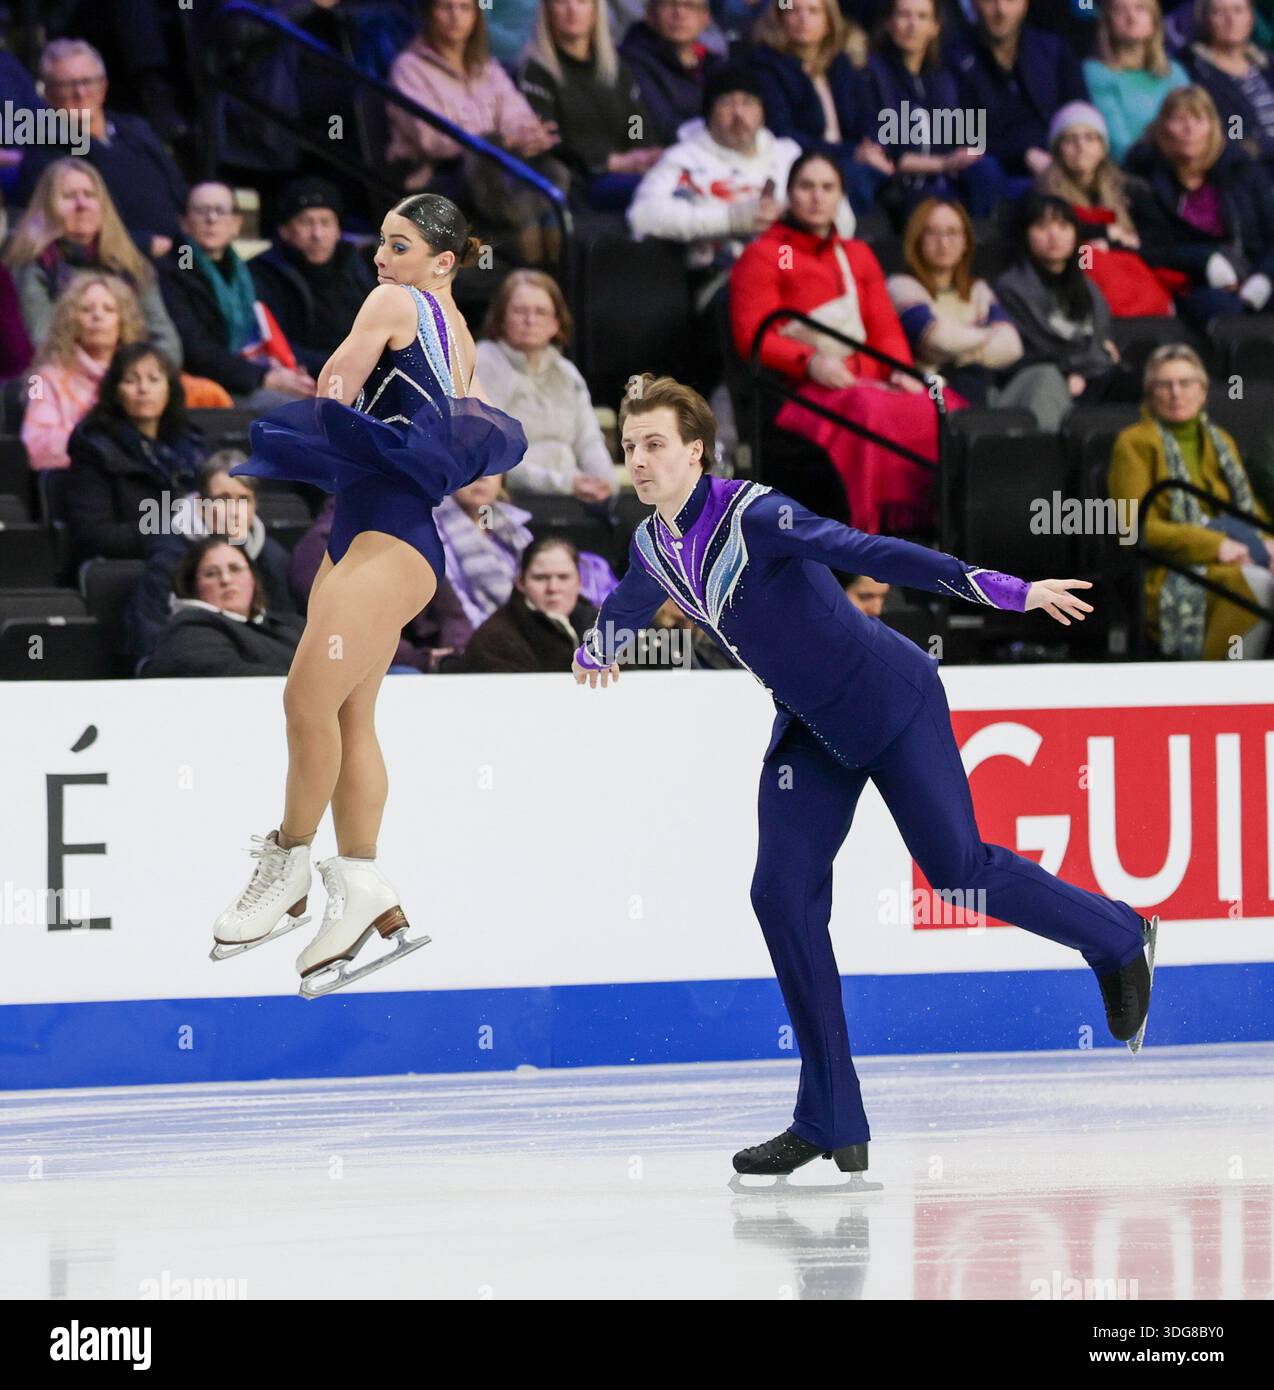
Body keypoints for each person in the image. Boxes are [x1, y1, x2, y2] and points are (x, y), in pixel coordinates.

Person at [572, 373, 1158, 1179]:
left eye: (655, 445)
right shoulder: (651, 545)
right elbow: (634, 600)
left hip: (893, 701)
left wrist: (1007, 589)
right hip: (811, 727)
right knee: (779, 895)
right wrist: (597, 645)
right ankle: (829, 1117)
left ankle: (1119, 935)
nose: (638, 460)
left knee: (959, 872)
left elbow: (871, 552)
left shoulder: (756, 514)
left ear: (696, 450)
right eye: (630, 446)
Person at [209, 192, 527, 998]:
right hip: (381, 536)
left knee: (303, 701)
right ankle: (361, 885)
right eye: (380, 244)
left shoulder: (395, 302)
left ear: (444, 261)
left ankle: (287, 869)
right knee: (350, 716)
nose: (380, 259)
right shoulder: (460, 339)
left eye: (399, 244)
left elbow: (332, 385)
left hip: (386, 540)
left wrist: (328, 413)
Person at [730, 152, 942, 534]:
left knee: (940, 405)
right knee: (867, 412)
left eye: (827, 188)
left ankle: (933, 528)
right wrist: (809, 362)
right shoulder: (761, 255)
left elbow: (885, 329)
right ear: (789, 195)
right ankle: (870, 537)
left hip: (868, 380)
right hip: (799, 391)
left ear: (840, 197)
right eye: (806, 186)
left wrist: (900, 369)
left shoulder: (859, 254)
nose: (817, 197)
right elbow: (754, 338)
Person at [1108, 343, 1274, 658]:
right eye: (1164, 384)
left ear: (1203, 391)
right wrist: (1215, 545)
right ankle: (1224, 689)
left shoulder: (1221, 440)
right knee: (1256, 584)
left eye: (1186, 383)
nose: (1176, 393)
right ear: (1149, 392)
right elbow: (1135, 528)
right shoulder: (1133, 443)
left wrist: (1267, 544)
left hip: (1237, 557)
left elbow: (1250, 510)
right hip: (1171, 569)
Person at [386, 0, 566, 264]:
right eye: (445, 8)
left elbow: (517, 115)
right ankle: (538, 269)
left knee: (551, 170)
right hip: (440, 175)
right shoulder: (409, 68)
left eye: (465, 8)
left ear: (476, 17)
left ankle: (550, 277)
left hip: (494, 171)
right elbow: (434, 139)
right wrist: (503, 140)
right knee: (513, 183)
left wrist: (528, 134)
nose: (455, 17)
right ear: (429, 14)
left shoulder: (487, 66)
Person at [15, 38, 188, 256]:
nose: (80, 93)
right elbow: (56, 232)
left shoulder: (137, 130)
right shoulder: (43, 156)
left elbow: (180, 192)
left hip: (181, 258)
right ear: (47, 95)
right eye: (67, 85)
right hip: (115, 269)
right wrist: (145, 244)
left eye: (88, 81)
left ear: (103, 87)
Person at [124, 451, 298, 662]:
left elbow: (286, 629)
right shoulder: (169, 556)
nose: (234, 512)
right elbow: (149, 639)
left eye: (244, 500)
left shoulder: (271, 556)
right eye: (223, 500)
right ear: (201, 505)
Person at [4, 158, 181, 364]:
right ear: (48, 207)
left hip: (134, 377)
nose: (82, 204)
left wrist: (141, 376)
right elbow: (41, 341)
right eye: (69, 197)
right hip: (65, 378)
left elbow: (165, 339)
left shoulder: (131, 262)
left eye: (89, 195)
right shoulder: (32, 264)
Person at [1127, 84, 1274, 330]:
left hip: (1253, 273)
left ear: (1212, 127)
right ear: (1163, 128)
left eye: (1199, 119)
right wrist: (1205, 260)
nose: (1189, 129)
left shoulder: (1243, 172)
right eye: (1179, 120)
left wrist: (1265, 278)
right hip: (1188, 283)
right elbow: (1148, 246)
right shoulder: (1144, 178)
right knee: (1224, 312)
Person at [157, 182, 316, 407]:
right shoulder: (172, 272)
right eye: (201, 211)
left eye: (220, 211)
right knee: (294, 409)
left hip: (248, 373)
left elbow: (270, 334)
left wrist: (287, 368)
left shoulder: (247, 273)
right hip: (205, 384)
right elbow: (195, 352)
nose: (211, 219)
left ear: (236, 223)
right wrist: (263, 377)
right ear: (184, 222)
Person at [994, 193, 1137, 431]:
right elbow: (1031, 346)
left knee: (1145, 381)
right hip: (1050, 376)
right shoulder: (1011, 287)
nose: (1054, 235)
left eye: (1063, 226)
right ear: (1025, 233)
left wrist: (1099, 358)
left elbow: (1100, 334)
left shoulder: (1085, 284)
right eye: (1042, 226)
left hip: (1094, 374)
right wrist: (1070, 371)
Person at [474, 270, 616, 499]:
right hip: (511, 498)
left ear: (555, 323)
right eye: (520, 311)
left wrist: (605, 481)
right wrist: (563, 483)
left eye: (540, 312)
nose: (530, 320)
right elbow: (490, 457)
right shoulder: (484, 363)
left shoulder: (566, 372)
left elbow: (589, 441)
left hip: (572, 496)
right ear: (501, 319)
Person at [853, 0, 999, 220]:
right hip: (898, 184)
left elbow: (968, 137)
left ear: (935, 27)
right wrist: (944, 163)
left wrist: (965, 154)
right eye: (904, 15)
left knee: (986, 170)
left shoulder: (947, 77)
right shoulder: (872, 73)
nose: (912, 25)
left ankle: (980, 239)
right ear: (889, 22)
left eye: (922, 17)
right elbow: (881, 152)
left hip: (945, 177)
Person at [62, 341, 203, 564]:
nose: (143, 389)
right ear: (115, 391)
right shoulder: (93, 448)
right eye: (131, 380)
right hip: (132, 565)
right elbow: (94, 535)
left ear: (170, 389)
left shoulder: (192, 442)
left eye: (154, 380)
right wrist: (173, 531)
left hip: (193, 559)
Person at [516, 0, 663, 212]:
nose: (572, 9)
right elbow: (550, 142)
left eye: (582, 1)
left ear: (596, 10)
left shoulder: (616, 69)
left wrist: (644, 151)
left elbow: (635, 121)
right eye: (561, 2)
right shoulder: (535, 73)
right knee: (656, 191)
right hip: (579, 183)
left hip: (627, 172)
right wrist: (610, 161)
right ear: (547, 10)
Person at [1037, 102, 1178, 317]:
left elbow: (1157, 242)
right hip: (1076, 276)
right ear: (1058, 148)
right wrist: (1106, 234)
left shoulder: (1131, 189)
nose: (1081, 146)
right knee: (1087, 254)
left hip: (1129, 273)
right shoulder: (1044, 193)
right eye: (1070, 139)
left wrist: (1109, 244)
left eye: (1090, 138)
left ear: (1102, 147)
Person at [747, 0, 888, 215]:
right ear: (780, 16)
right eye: (794, 10)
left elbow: (868, 116)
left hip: (851, 160)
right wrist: (855, 152)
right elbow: (782, 132)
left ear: (828, 22)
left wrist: (871, 147)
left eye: (813, 11)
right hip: (799, 163)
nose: (803, 19)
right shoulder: (766, 67)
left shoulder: (840, 64)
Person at [887, 197, 1025, 409]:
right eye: (932, 232)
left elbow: (1012, 346)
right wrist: (987, 335)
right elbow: (937, 339)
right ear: (917, 240)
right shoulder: (900, 286)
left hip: (975, 384)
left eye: (952, 233)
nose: (943, 242)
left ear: (965, 243)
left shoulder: (977, 290)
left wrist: (956, 353)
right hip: (926, 390)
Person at [950, 0, 1089, 198]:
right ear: (973, 4)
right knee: (983, 170)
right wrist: (1023, 154)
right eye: (991, 1)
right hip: (992, 165)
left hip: (1056, 162)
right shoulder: (953, 56)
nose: (1001, 10)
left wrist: (1064, 154)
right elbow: (958, 134)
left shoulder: (1054, 49)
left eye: (1010, 0)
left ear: (1025, 4)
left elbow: (1081, 114)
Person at [248, 177, 378, 378]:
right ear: (285, 231)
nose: (317, 234)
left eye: (325, 223)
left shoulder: (357, 264)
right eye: (306, 222)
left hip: (362, 372)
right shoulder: (262, 272)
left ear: (337, 231)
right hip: (300, 375)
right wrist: (341, 364)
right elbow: (274, 343)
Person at [21, 272, 145, 473]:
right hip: (78, 482)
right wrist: (101, 443)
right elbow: (34, 444)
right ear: (71, 321)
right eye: (86, 310)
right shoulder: (42, 378)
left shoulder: (140, 374)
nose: (98, 316)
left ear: (123, 322)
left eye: (109, 309)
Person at [141, 537, 306, 678]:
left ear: (253, 578)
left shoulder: (291, 625)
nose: (226, 579)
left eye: (235, 569)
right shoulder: (188, 628)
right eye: (211, 573)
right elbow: (225, 673)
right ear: (193, 586)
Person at [461, 536, 600, 670]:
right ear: (520, 582)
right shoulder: (493, 642)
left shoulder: (604, 627)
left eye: (563, 577)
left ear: (580, 582)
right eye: (540, 578)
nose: (553, 588)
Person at [1082, 0, 1190, 164]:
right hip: (1135, 170)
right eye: (1120, 11)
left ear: (1154, 18)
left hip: (1185, 164)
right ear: (1107, 22)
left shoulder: (1174, 71)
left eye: (1140, 8)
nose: (1131, 18)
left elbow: (1194, 122)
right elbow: (1119, 148)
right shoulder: (1096, 72)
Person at [1183, 0, 1274, 169]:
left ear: (1250, 18)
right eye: (1219, 12)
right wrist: (1262, 146)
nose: (1230, 20)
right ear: (1204, 19)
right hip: (1250, 171)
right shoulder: (1196, 72)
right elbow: (1237, 136)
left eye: (1238, 11)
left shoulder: (1268, 65)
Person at [618, 0, 722, 147]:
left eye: (690, 6)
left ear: (705, 18)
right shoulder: (630, 60)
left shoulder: (715, 64)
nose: (680, 13)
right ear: (650, 14)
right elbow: (657, 126)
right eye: (669, 4)